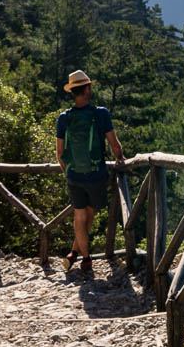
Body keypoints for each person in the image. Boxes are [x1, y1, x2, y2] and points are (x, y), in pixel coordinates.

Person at [55, 69, 124, 273]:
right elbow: (114, 144)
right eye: (89, 87)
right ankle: (80, 256)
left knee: (79, 215)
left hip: (73, 175)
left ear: (72, 91)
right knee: (90, 213)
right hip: (95, 174)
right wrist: (120, 158)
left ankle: (80, 256)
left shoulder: (64, 117)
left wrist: (68, 171)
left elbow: (60, 152)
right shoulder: (100, 113)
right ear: (86, 89)